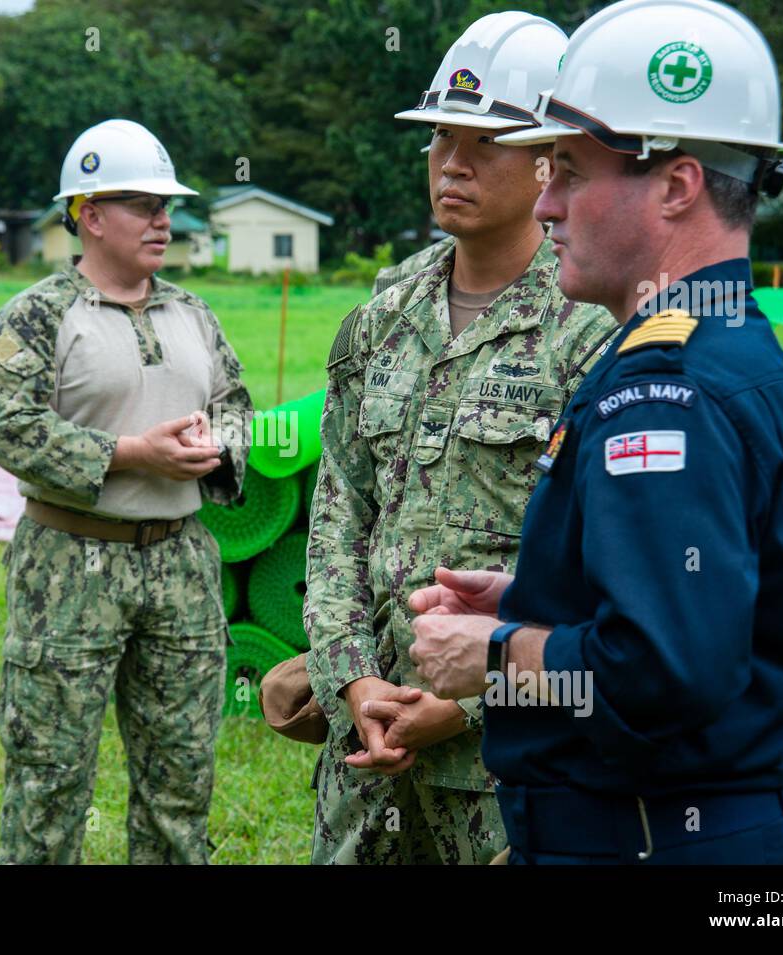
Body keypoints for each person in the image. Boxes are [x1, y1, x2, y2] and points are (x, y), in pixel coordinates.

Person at [409, 0, 783, 865]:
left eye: (568, 169)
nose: (549, 202)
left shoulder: (666, 390)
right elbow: (709, 616)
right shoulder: (726, 343)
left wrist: (495, 652)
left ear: (677, 185)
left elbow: (656, 676)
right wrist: (538, 599)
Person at [303, 12, 618, 865]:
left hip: (508, 756)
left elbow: (605, 561)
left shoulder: (591, 326)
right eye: (442, 136)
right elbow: (337, 526)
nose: (454, 162)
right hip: (367, 754)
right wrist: (352, 681)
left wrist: (472, 699)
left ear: (551, 157)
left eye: (487, 142)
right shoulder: (380, 318)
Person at [0, 118, 252, 865]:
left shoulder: (192, 311)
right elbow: (13, 430)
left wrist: (219, 446)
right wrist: (134, 454)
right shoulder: (34, 316)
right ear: (90, 215)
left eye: (167, 205)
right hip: (71, 563)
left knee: (180, 778)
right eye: (142, 204)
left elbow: (235, 402)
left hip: (181, 562)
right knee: (49, 781)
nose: (164, 219)